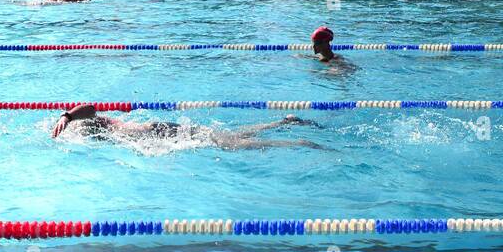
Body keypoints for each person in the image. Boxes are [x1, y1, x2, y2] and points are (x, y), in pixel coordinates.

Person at [51, 103, 323, 150]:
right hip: (158, 132)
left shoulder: (79, 121)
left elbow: (90, 108)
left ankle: (295, 142)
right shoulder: (83, 128)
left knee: (230, 145)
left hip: (158, 134)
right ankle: (283, 123)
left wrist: (67, 116)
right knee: (227, 137)